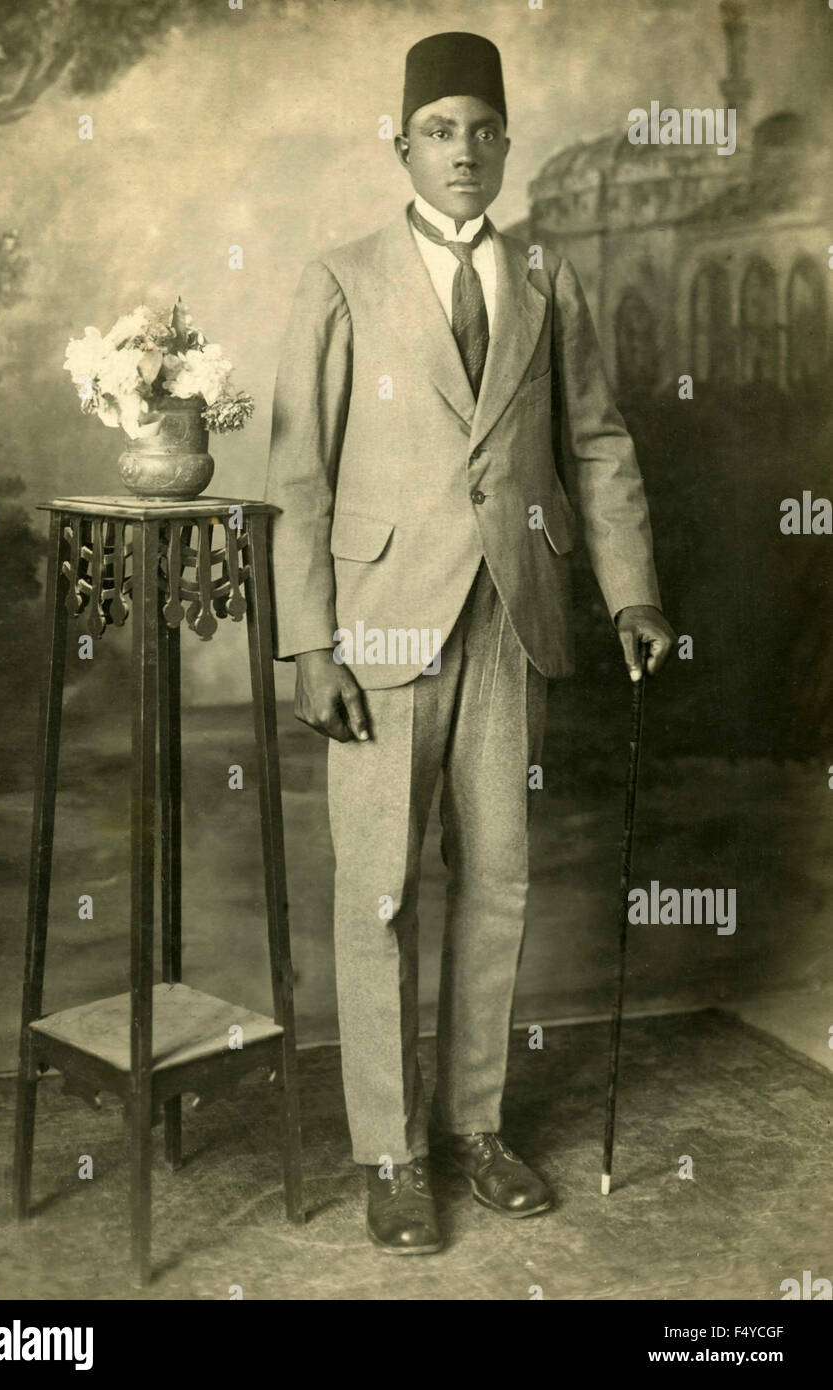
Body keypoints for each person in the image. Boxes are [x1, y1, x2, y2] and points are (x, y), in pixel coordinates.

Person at [265, 30, 675, 1254]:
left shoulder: (548, 276)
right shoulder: (340, 277)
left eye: (484, 130)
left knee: (497, 884)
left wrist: (632, 595)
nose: (464, 151)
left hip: (513, 615)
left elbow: (596, 448)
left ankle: (475, 1126)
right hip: (381, 623)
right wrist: (310, 645)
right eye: (440, 130)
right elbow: (298, 470)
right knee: (379, 890)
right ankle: (389, 1152)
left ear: (506, 145)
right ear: (401, 144)